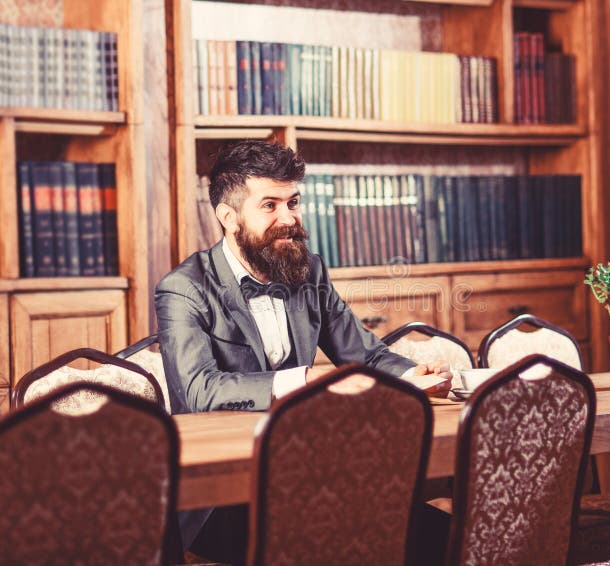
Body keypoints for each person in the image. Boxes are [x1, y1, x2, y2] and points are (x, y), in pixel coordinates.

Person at [155, 140, 451, 564]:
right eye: (270, 205)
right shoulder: (183, 288)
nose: (289, 218)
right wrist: (305, 380)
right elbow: (199, 390)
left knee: (447, 537)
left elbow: (363, 355)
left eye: (293, 202)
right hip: (223, 495)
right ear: (228, 217)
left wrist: (414, 376)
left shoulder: (308, 269)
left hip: (313, 472)